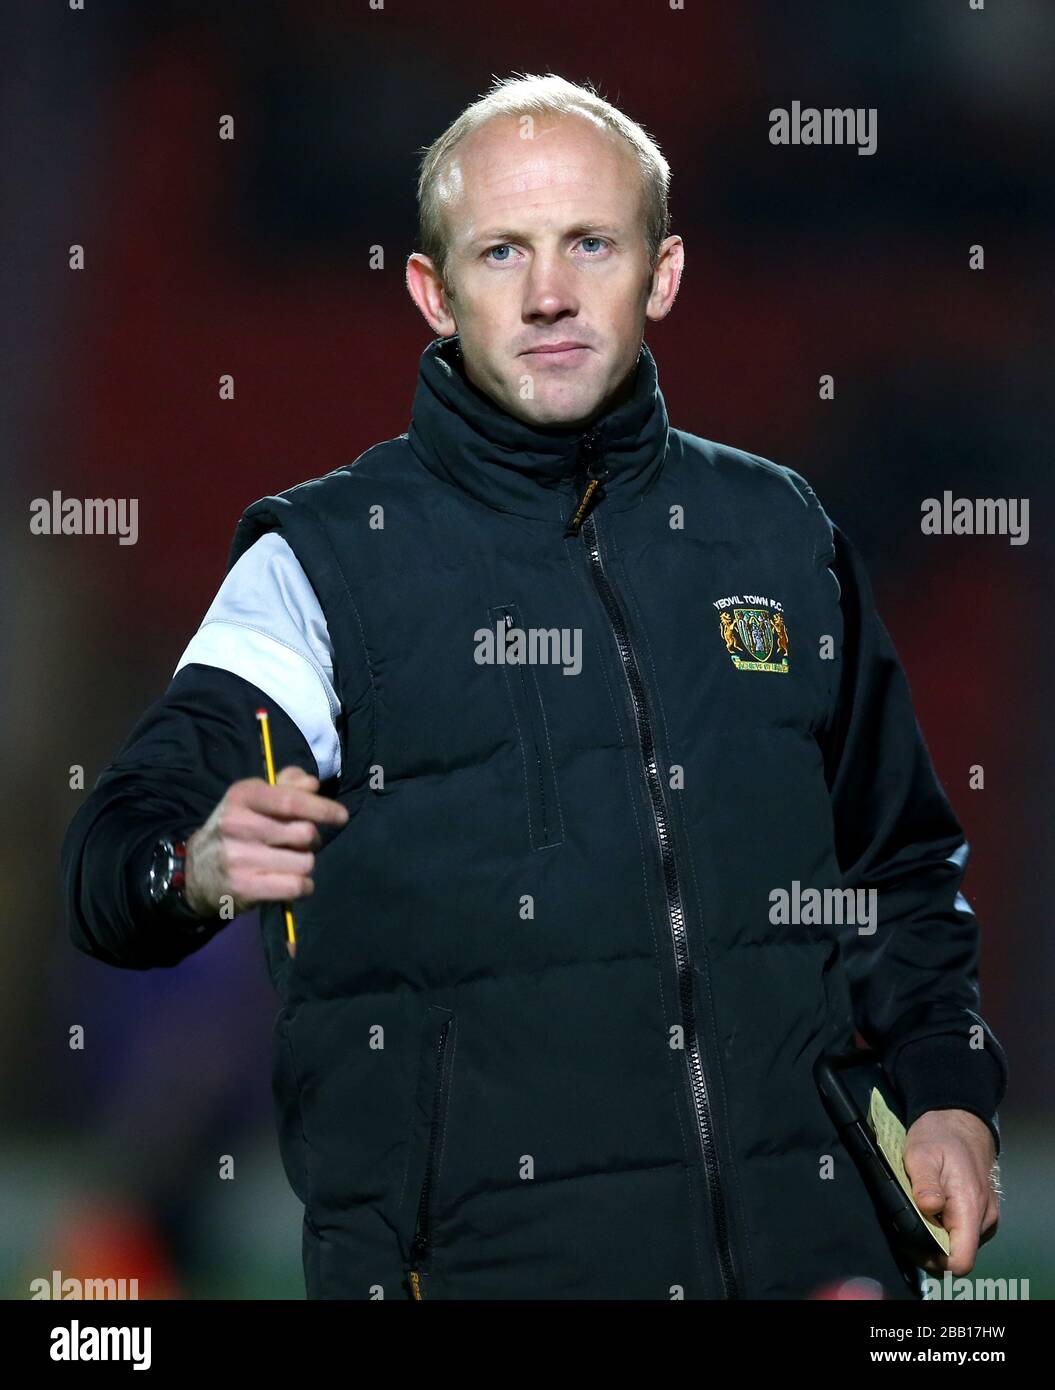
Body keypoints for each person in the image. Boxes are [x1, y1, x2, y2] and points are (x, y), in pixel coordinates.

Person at [60, 72, 1007, 1300]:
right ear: (431, 291)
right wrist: (190, 867)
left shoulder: (781, 534)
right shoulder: (320, 567)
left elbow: (899, 871)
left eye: (589, 244)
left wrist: (945, 1092)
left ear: (661, 273)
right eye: (502, 249)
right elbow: (112, 861)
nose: (549, 293)